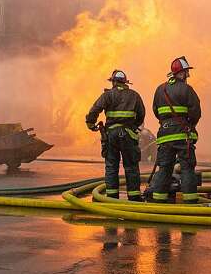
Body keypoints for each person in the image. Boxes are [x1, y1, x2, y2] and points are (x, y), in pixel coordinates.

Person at [146, 56, 201, 203]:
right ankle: (190, 202)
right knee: (187, 167)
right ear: (181, 73)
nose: (188, 76)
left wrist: (166, 123)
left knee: (164, 168)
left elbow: (156, 111)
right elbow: (196, 112)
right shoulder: (187, 89)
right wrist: (189, 125)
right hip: (182, 134)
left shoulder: (160, 89)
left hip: (164, 134)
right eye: (186, 73)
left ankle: (159, 200)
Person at [85, 69, 147, 201]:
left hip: (111, 135)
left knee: (112, 166)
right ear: (125, 82)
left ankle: (112, 197)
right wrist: (133, 126)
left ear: (113, 82)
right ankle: (134, 197)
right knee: (131, 166)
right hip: (129, 135)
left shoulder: (108, 95)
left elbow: (95, 109)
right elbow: (141, 115)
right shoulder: (134, 95)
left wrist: (91, 124)